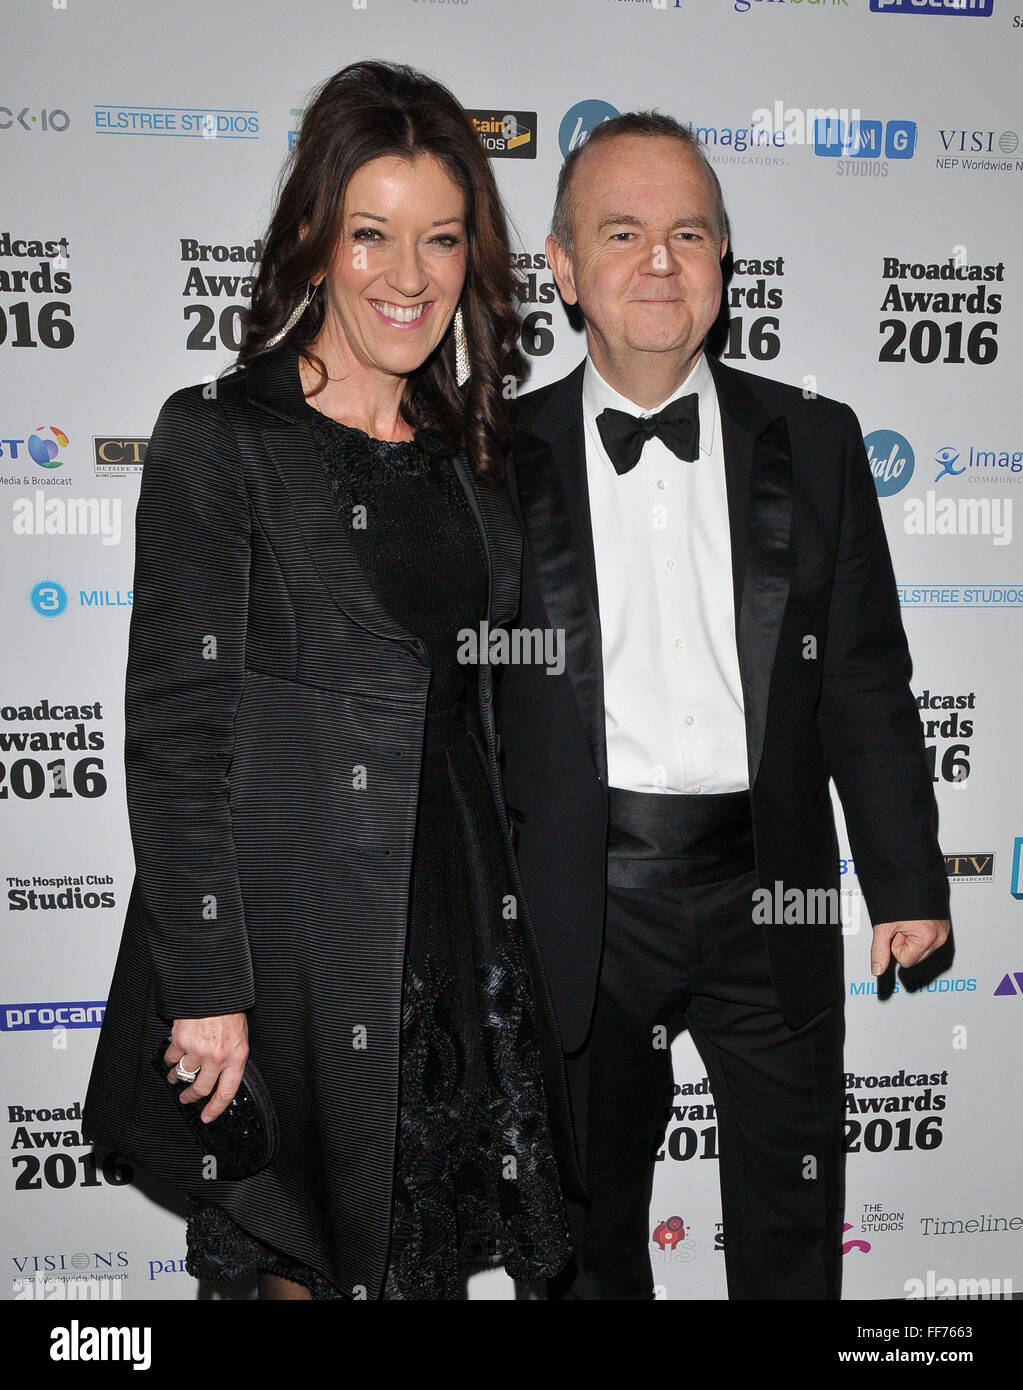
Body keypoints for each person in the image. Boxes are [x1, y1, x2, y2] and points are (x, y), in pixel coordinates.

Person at [83, 60, 574, 1302]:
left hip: (451, 936)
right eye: (373, 235)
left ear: (475, 255)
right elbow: (179, 733)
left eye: (441, 239)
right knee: (294, 1268)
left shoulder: (473, 456)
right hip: (288, 947)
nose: (408, 277)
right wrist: (207, 995)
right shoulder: (221, 437)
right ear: (313, 240)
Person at [497, 111, 951, 1300]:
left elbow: (862, 672)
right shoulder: (491, 456)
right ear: (561, 267)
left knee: (795, 1232)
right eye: (625, 232)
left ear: (724, 259)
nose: (660, 262)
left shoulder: (817, 439)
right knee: (588, 1248)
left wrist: (903, 877)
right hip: (581, 903)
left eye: (689, 232)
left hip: (777, 889)